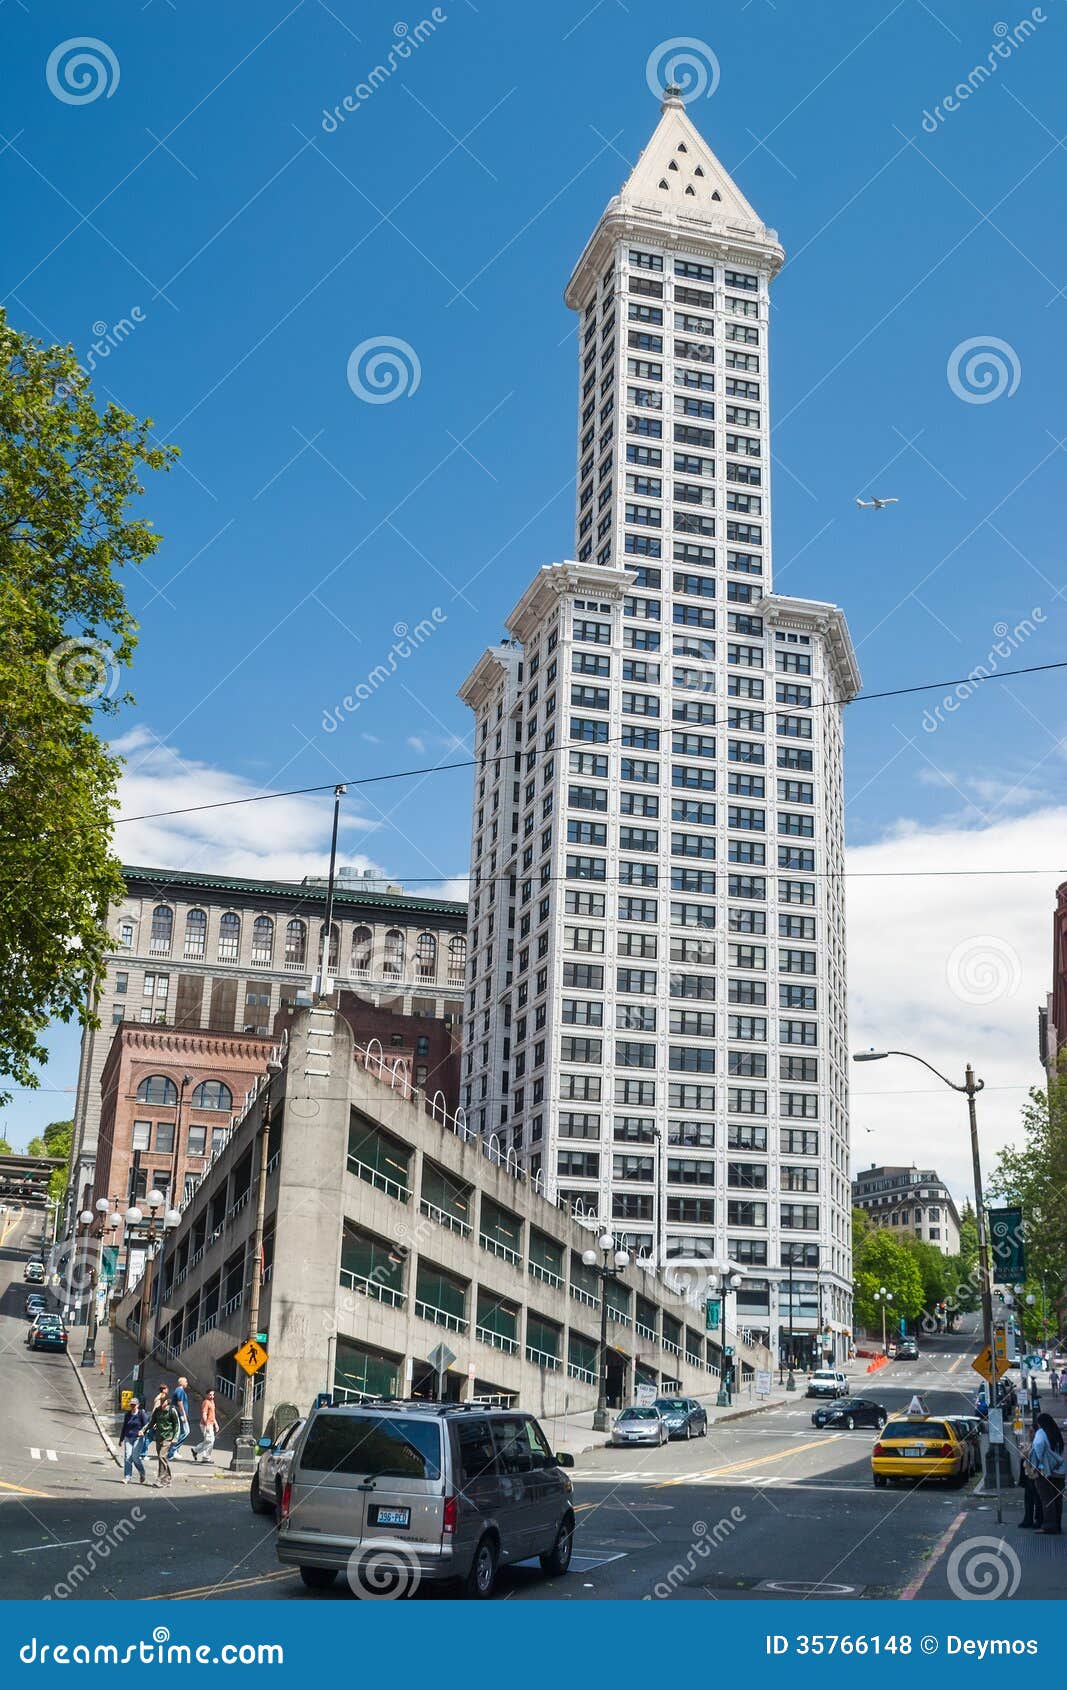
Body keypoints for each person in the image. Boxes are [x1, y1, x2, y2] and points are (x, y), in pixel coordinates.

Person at [1028, 1411, 1064, 1534]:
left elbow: (1038, 1444)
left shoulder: (1041, 1433)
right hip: (1059, 1471)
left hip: (1045, 1471)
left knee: (1047, 1499)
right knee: (1057, 1499)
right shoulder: (1056, 1433)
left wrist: (1038, 1461)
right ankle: (1057, 1525)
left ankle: (1049, 1526)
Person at [148, 1393, 180, 1488]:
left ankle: (160, 1479)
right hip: (159, 1437)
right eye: (160, 1401)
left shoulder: (172, 1411)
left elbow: (177, 1425)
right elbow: (151, 1422)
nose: (161, 1403)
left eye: (163, 1401)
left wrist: (175, 1437)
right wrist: (143, 1430)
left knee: (162, 1456)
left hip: (168, 1437)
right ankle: (168, 1479)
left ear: (167, 1401)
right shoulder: (157, 1411)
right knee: (162, 1458)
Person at [120, 1399, 148, 1486]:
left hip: (138, 1438)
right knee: (127, 1457)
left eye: (134, 1405)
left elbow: (146, 1425)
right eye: (131, 1405)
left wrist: (143, 1432)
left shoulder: (141, 1414)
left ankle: (142, 1473)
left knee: (135, 1457)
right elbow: (124, 1426)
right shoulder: (128, 1414)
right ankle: (127, 1477)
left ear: (138, 1405)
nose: (132, 1406)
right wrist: (121, 1439)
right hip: (128, 1437)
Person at [191, 1390, 217, 1464]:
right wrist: (206, 1424)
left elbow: (212, 1415)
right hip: (206, 1424)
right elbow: (204, 1414)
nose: (212, 1396)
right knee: (209, 1440)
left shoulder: (212, 1402)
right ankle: (204, 1457)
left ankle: (197, 1451)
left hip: (210, 1424)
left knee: (209, 1440)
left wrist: (216, 1424)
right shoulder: (206, 1402)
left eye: (213, 1395)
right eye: (210, 1395)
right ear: (206, 1395)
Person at [168, 1376, 191, 1460]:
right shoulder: (180, 1390)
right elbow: (180, 1403)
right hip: (179, 1414)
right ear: (181, 1382)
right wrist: (183, 1415)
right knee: (185, 1432)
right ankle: (172, 1451)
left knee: (181, 1432)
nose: (187, 1383)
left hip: (179, 1414)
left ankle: (175, 1451)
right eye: (186, 1382)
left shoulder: (179, 1390)